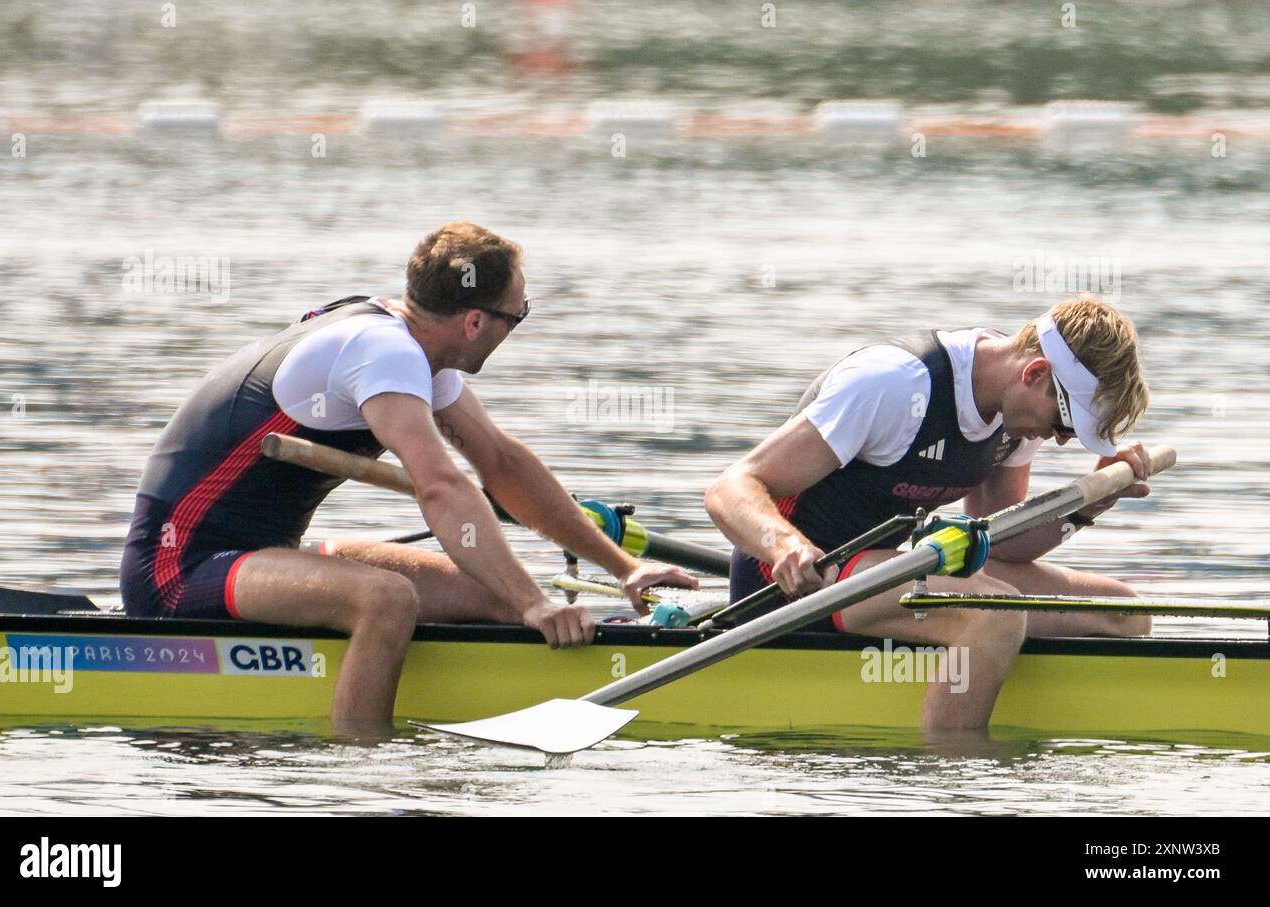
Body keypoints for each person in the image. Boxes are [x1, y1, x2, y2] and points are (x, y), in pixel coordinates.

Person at [120, 222, 695, 728]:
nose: (516, 327)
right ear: (475, 321)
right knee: (386, 600)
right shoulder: (383, 353)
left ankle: (461, 709)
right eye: (519, 317)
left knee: (489, 592)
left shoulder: (416, 349)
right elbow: (441, 487)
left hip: (263, 551)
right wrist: (535, 605)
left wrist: (622, 566)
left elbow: (503, 465)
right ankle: (367, 759)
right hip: (178, 566)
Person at [704, 295, 1152, 729]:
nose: (1060, 439)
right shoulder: (893, 383)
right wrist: (785, 545)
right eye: (1065, 423)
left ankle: (987, 688)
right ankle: (948, 778)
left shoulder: (1018, 411)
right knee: (995, 615)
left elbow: (1005, 541)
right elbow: (732, 487)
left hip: (880, 571)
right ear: (1036, 373)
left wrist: (1089, 505)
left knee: (1123, 612)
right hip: (793, 582)